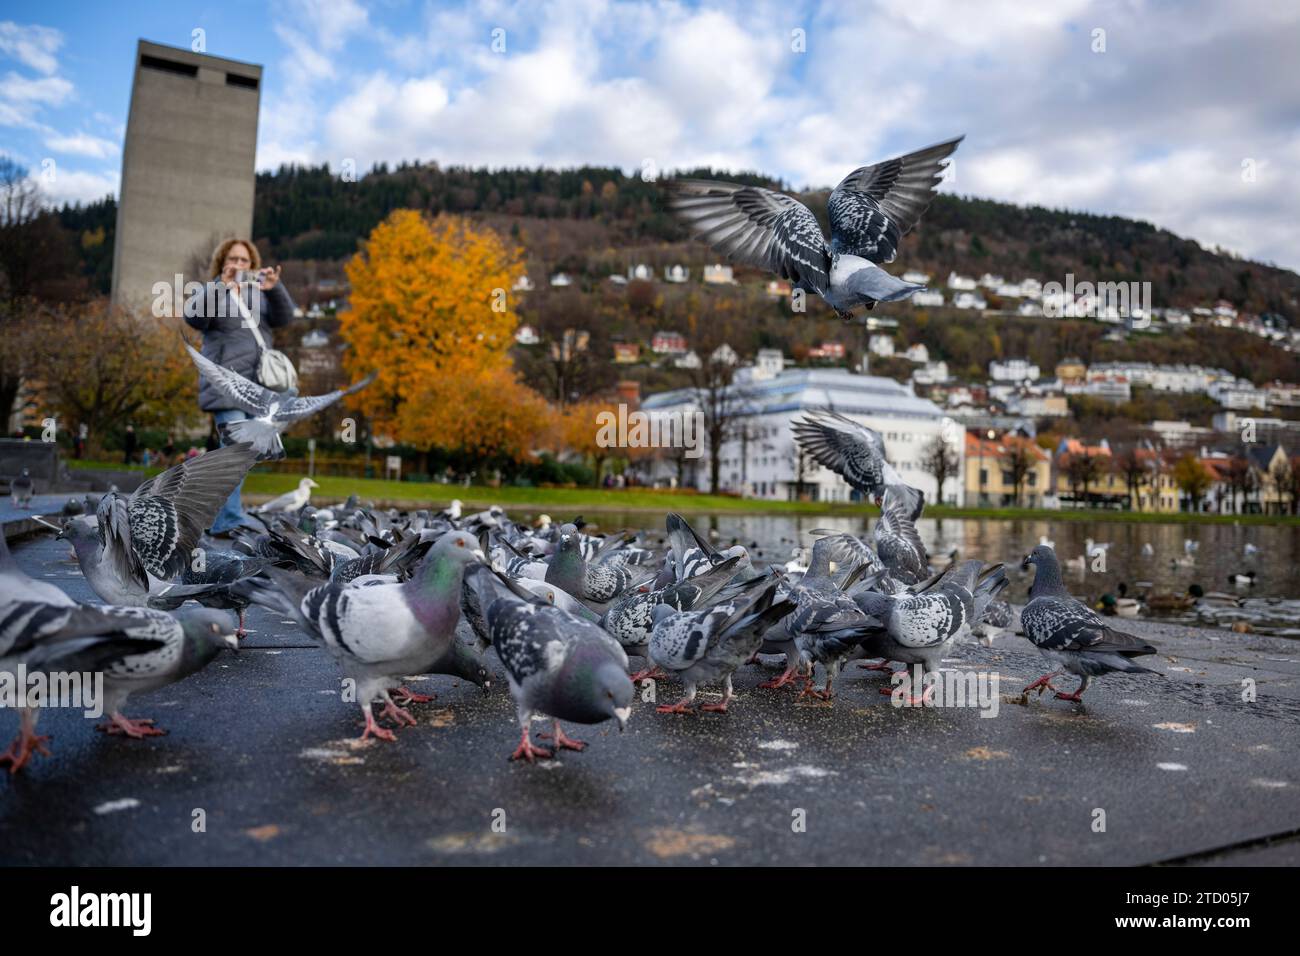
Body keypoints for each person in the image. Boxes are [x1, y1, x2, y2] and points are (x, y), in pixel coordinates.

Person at [184, 237, 297, 534]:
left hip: (257, 389)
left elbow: (286, 318)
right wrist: (220, 285)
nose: (238, 265)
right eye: (232, 259)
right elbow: (194, 317)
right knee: (237, 450)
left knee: (241, 455)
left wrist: (276, 289)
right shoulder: (213, 292)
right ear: (222, 263)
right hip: (225, 386)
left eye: (244, 260)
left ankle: (217, 518)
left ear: (252, 265)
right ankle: (229, 520)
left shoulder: (260, 294)